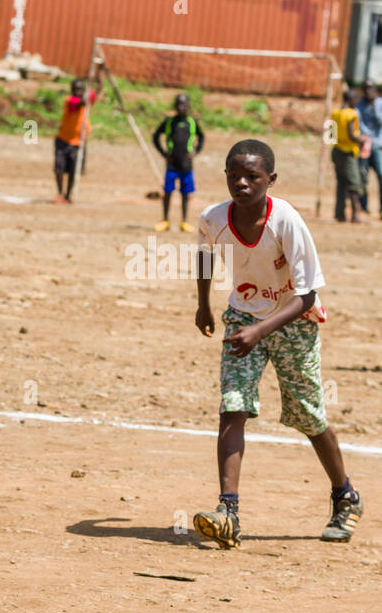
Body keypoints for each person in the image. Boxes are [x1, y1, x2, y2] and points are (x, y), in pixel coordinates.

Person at [192, 139, 361, 549]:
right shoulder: (213, 218)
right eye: (234, 175)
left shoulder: (285, 220)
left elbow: (308, 296)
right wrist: (204, 306)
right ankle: (228, 511)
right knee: (232, 407)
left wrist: (261, 330)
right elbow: (203, 259)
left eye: (252, 176)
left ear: (271, 179)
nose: (242, 183)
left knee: (307, 414)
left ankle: (345, 495)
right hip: (241, 317)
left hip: (293, 321)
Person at [153, 93, 204, 232]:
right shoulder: (169, 122)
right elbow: (155, 136)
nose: (181, 107)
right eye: (178, 104)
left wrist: (195, 151)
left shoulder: (192, 122)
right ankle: (165, 220)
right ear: (175, 106)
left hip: (186, 165)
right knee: (168, 191)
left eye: (183, 104)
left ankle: (184, 221)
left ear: (188, 106)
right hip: (172, 164)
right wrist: (164, 153)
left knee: (185, 193)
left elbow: (202, 137)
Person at [53, 64, 104, 203]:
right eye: (76, 89)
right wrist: (88, 90)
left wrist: (100, 72)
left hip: (78, 142)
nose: (78, 91)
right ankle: (60, 193)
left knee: (72, 171)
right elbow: (81, 102)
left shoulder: (86, 99)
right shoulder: (70, 100)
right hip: (63, 140)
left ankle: (68, 195)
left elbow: (99, 88)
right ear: (72, 90)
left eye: (81, 89)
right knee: (59, 168)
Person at [329, 89, 366, 223]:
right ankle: (356, 214)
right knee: (353, 184)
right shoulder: (351, 114)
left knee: (341, 183)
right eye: (356, 100)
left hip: (336, 150)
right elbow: (352, 135)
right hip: (348, 152)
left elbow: (331, 135)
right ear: (352, 100)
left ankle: (339, 213)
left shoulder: (335, 113)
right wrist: (361, 140)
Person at [356, 81, 382, 216]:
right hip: (364, 146)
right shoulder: (358, 104)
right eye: (365, 88)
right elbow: (357, 123)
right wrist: (363, 138)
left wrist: (374, 109)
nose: (368, 91)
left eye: (370, 89)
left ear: (375, 90)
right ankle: (363, 207)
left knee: (381, 175)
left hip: (378, 146)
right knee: (363, 177)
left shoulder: (379, 104)